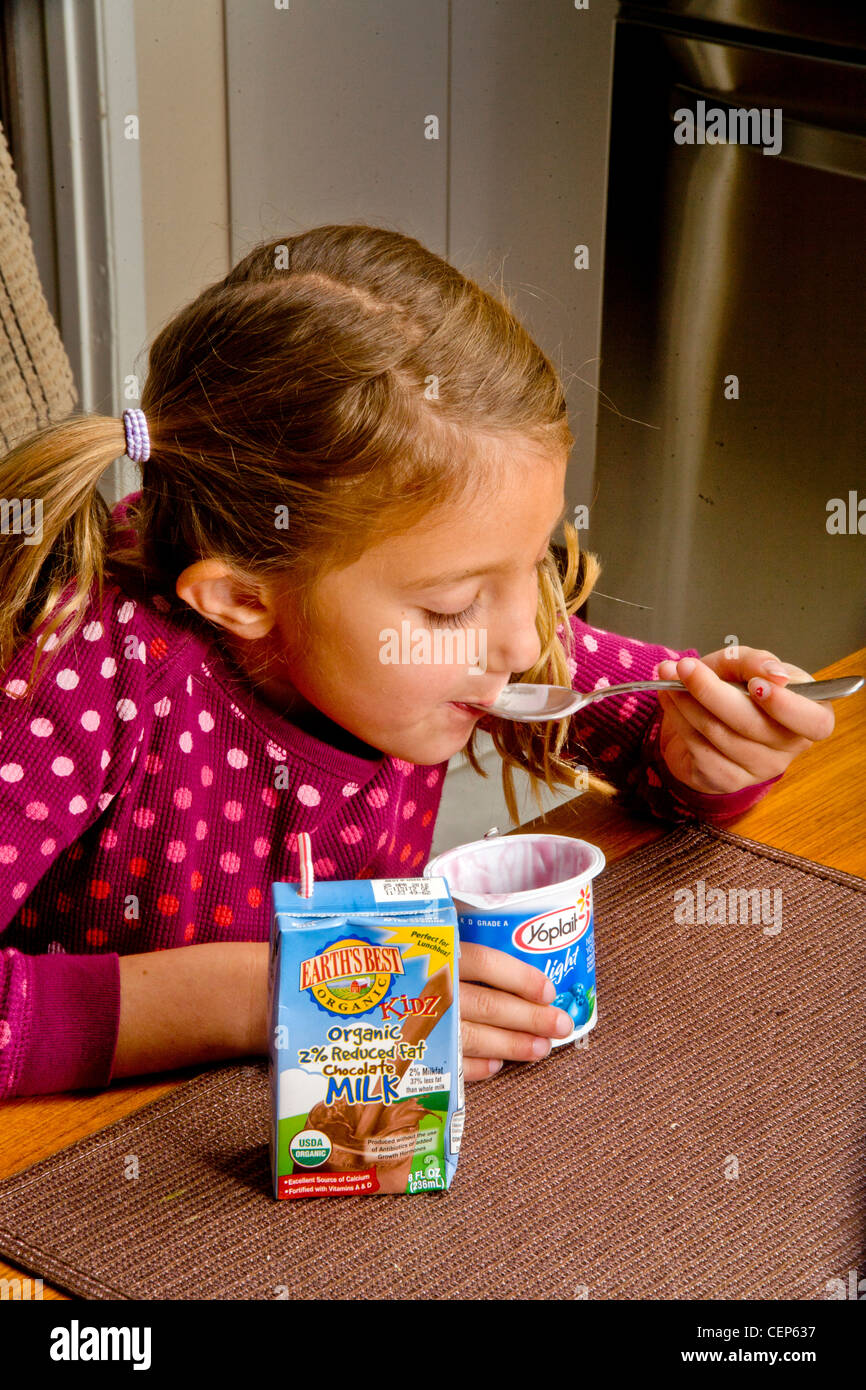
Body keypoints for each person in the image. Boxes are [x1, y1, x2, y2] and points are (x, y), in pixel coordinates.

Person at [0, 225, 832, 1101]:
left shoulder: (473, 624)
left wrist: (703, 753)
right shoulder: (79, 677)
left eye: (539, 560)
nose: (522, 640)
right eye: (450, 607)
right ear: (245, 599)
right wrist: (267, 997)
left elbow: (653, 742)